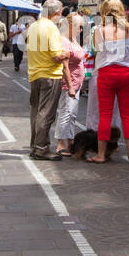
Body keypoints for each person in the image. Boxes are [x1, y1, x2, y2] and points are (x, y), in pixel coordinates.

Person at [89, 0, 129, 164]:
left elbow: (97, 50)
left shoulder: (99, 29)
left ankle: (101, 154)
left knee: (105, 115)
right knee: (128, 115)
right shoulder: (128, 28)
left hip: (107, 73)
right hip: (126, 74)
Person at [26, 0, 70, 160]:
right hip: (50, 75)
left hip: (34, 74)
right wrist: (67, 54)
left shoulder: (33, 26)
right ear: (56, 13)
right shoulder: (51, 28)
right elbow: (57, 55)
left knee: (36, 112)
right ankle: (41, 149)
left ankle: (35, 145)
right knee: (46, 114)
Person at [53, 12, 86, 156]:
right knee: (66, 112)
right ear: (71, 26)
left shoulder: (72, 39)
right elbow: (64, 66)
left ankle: (71, 142)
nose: (81, 30)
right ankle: (60, 144)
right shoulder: (64, 41)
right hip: (69, 82)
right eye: (79, 27)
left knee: (72, 114)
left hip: (76, 82)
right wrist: (71, 86)